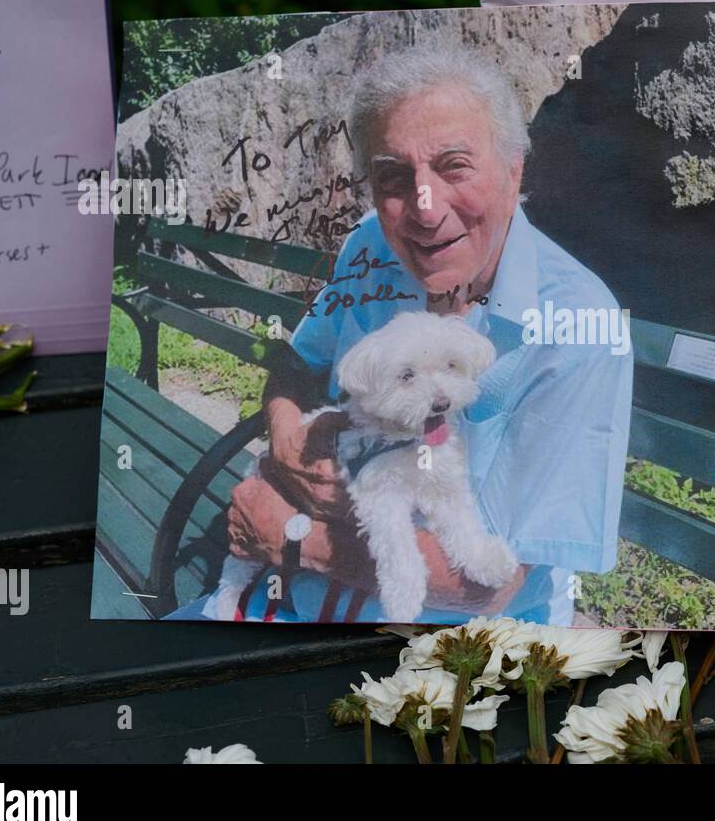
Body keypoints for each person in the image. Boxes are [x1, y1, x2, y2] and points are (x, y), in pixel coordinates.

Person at [168, 46, 633, 625]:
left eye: (454, 165)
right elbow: (298, 359)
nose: (426, 208)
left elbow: (490, 587)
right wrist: (287, 435)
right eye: (393, 176)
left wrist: (291, 537)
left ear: (513, 171)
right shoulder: (370, 245)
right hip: (287, 596)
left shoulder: (579, 329)